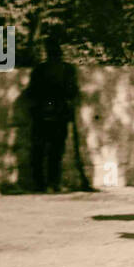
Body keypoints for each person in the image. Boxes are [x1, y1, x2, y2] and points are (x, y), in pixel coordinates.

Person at [25, 28, 79, 192]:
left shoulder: (39, 70)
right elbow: (73, 92)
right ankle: (53, 183)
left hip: (42, 114)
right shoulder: (68, 70)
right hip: (60, 114)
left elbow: (31, 92)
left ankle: (40, 184)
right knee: (56, 151)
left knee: (39, 151)